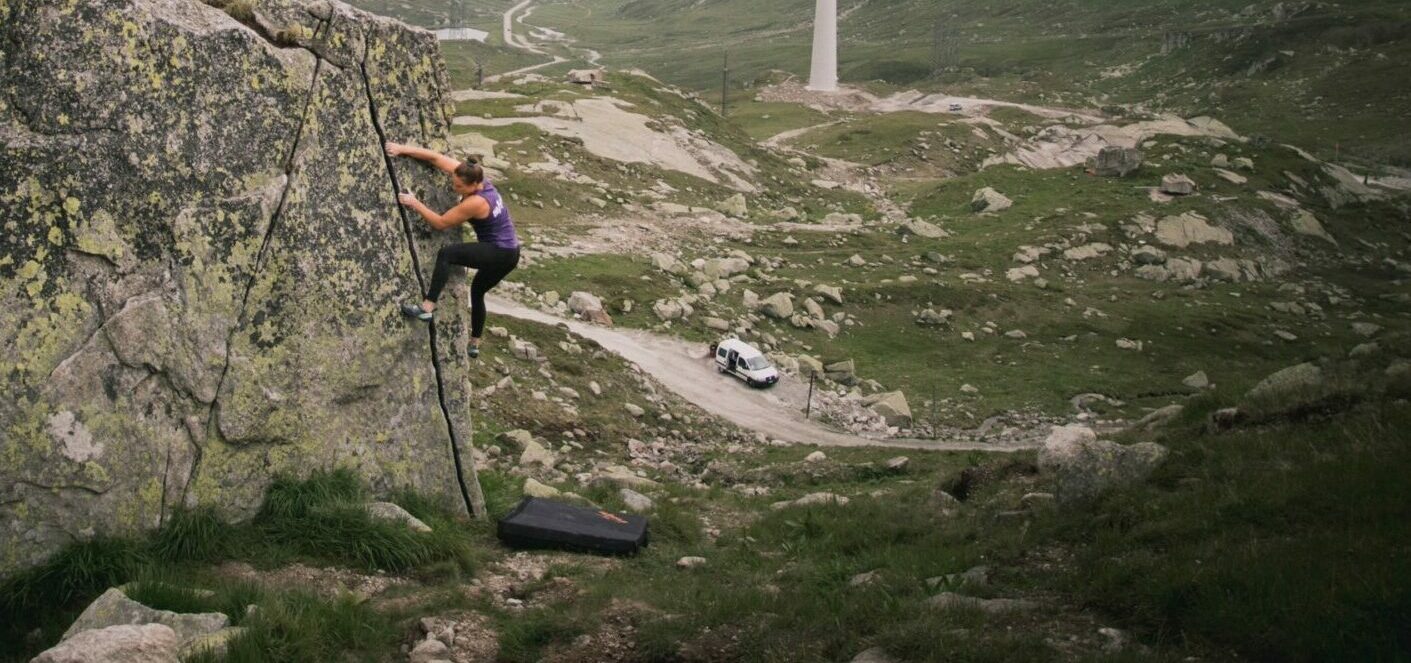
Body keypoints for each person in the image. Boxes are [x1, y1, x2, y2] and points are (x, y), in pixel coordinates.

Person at [386, 141, 521, 358]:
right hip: (512, 251)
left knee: (447, 254)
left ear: (474, 185)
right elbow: (436, 158)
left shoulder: (477, 202)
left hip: (499, 252)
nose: (454, 187)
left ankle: (427, 307)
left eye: (459, 187)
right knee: (477, 292)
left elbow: (440, 223)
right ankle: (475, 342)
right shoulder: (473, 175)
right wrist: (402, 149)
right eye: (454, 182)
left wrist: (414, 203)